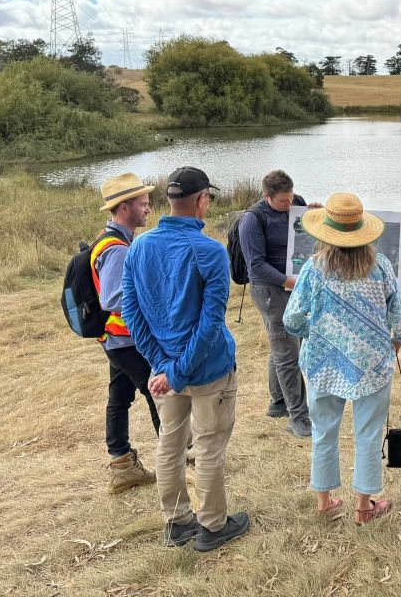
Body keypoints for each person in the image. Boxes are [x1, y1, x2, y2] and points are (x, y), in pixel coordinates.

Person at [122, 166, 249, 552]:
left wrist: (160, 364)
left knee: (170, 443)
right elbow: (211, 323)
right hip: (207, 369)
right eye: (208, 198)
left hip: (164, 371)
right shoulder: (208, 250)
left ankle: (177, 521)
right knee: (209, 446)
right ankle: (213, 525)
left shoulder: (140, 246)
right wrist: (174, 371)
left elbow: (132, 313)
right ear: (200, 200)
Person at [283, 193, 401, 524]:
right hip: (372, 364)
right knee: (367, 434)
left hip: (323, 363)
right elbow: (400, 322)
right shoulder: (381, 265)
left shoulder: (314, 269)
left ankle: (325, 502)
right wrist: (389, 350)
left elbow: (292, 321)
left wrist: (319, 330)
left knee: (324, 430)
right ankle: (364, 508)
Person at [92, 172, 159, 493]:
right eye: (143, 204)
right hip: (128, 340)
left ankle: (122, 466)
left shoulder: (117, 241)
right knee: (161, 394)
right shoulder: (117, 248)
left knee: (119, 397)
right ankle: (181, 461)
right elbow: (113, 297)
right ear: (123, 208)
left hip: (115, 340)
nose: (148, 209)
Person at [238, 170, 314, 438]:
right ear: (266, 197)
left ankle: (278, 403)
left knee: (283, 346)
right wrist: (288, 281)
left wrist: (314, 214)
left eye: (291, 198)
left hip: (294, 285)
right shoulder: (252, 220)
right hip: (270, 290)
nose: (288, 204)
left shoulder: (297, 202)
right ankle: (298, 417)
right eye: (283, 201)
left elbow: (308, 234)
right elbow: (255, 266)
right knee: (286, 351)